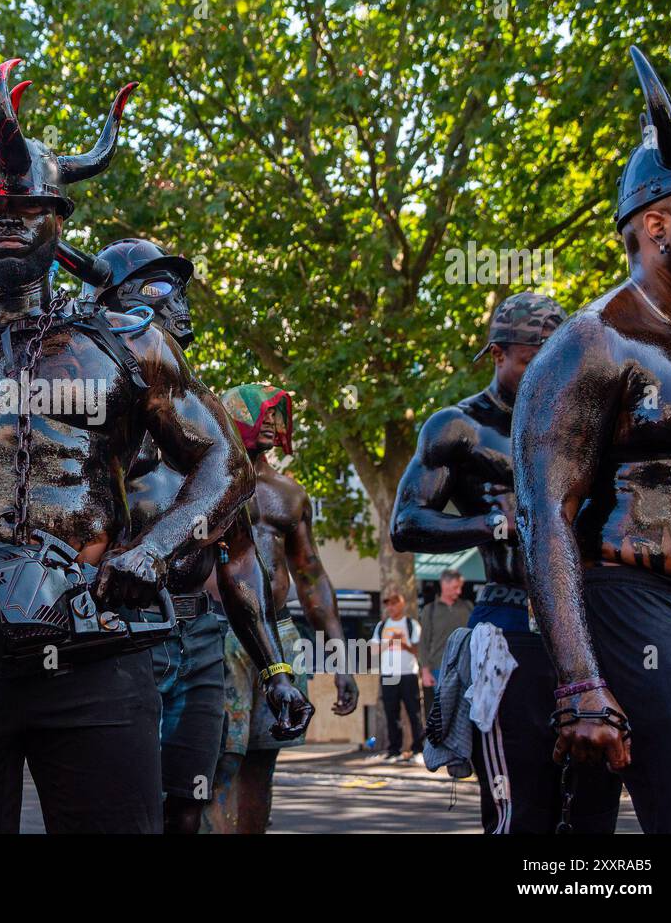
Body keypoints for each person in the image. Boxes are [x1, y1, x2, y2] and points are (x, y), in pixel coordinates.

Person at [0, 59, 275, 834]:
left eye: (30, 207)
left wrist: (154, 553)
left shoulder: (132, 347)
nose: (9, 220)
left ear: (59, 221)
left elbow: (225, 466)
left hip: (99, 654)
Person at [56, 237, 312, 834]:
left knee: (188, 807)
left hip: (197, 638)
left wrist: (275, 670)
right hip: (115, 637)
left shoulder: (203, 424)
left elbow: (238, 553)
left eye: (182, 288)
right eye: (160, 287)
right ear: (115, 304)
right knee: (117, 811)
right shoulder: (78, 410)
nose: (182, 304)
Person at [514, 47, 671, 833]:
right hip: (631, 600)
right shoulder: (593, 343)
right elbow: (543, 512)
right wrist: (580, 680)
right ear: (656, 225)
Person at [393, 290, 622, 832]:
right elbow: (406, 523)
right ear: (497, 354)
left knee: (593, 814)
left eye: (557, 359)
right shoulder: (459, 427)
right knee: (519, 810)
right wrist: (499, 525)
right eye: (531, 359)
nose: (549, 372)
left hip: (594, 624)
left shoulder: (593, 424)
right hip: (510, 625)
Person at [206, 383, 360, 833]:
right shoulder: (204, 482)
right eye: (265, 414)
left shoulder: (289, 494)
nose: (276, 423)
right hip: (218, 631)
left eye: (281, 415)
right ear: (239, 416)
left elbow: (311, 575)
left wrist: (340, 657)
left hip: (281, 632)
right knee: (219, 760)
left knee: (263, 760)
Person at [369, 592, 423, 763]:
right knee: (391, 714)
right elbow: (373, 650)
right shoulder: (382, 626)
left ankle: (418, 751)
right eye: (388, 604)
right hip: (388, 675)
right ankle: (395, 751)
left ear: (402, 604)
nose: (390, 607)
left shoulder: (411, 624)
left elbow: (418, 650)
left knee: (414, 713)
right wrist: (391, 643)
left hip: (408, 674)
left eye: (394, 603)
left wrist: (403, 643)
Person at [419, 568, 471, 724]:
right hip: (438, 668)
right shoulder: (430, 610)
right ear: (444, 584)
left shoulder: (468, 607)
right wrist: (425, 671)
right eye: (455, 587)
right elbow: (424, 641)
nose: (459, 591)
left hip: (465, 667)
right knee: (443, 711)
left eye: (460, 587)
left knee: (464, 711)